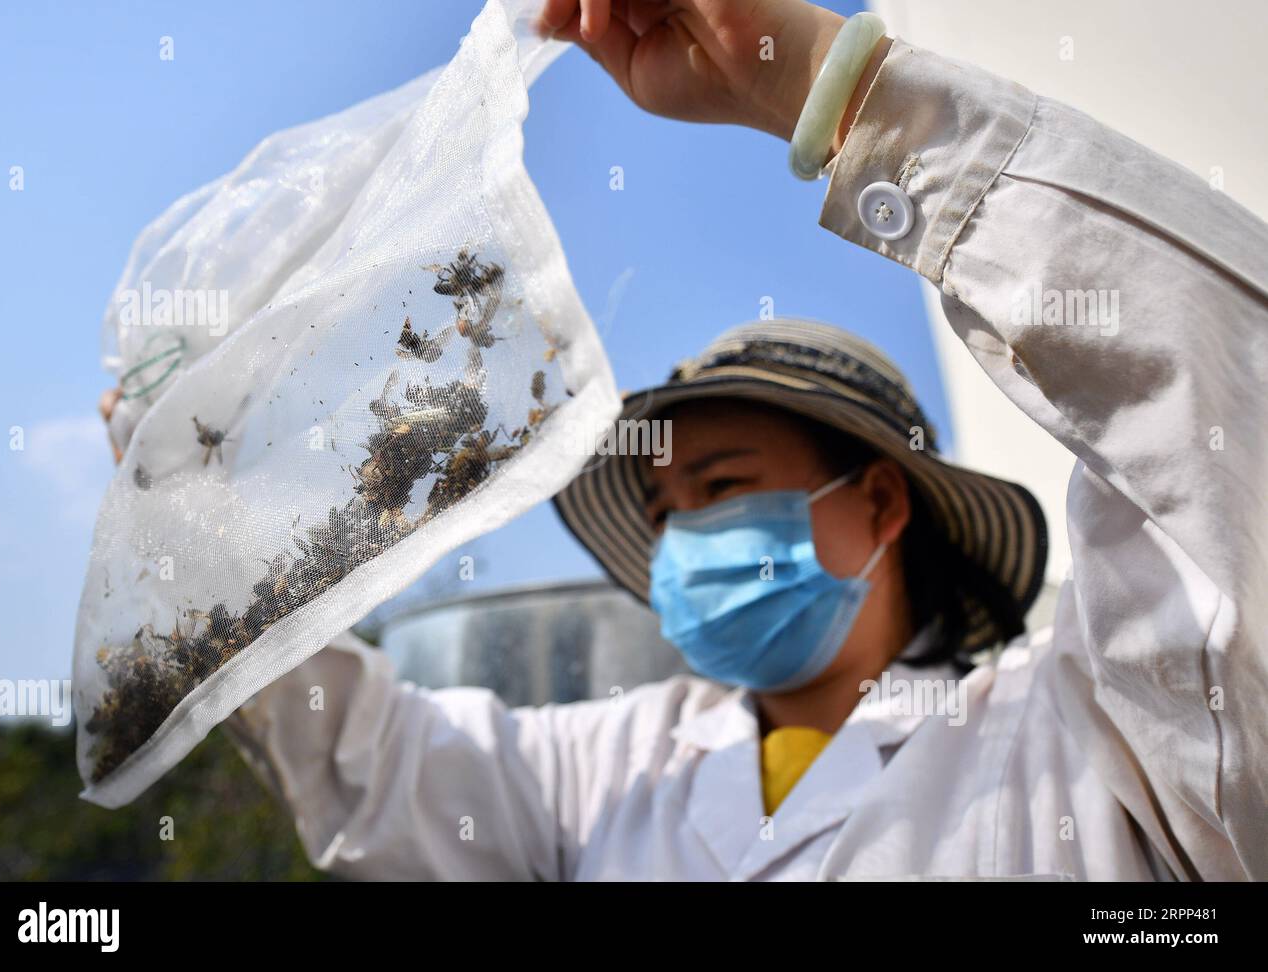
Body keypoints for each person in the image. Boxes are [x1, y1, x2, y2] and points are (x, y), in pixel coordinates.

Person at [102, 0, 1268, 880]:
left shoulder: (1092, 745)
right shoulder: (605, 773)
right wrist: (205, 524)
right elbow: (368, 760)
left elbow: (1206, 408)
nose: (682, 535)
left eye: (722, 483)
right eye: (661, 510)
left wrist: (828, 87)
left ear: (880, 504)